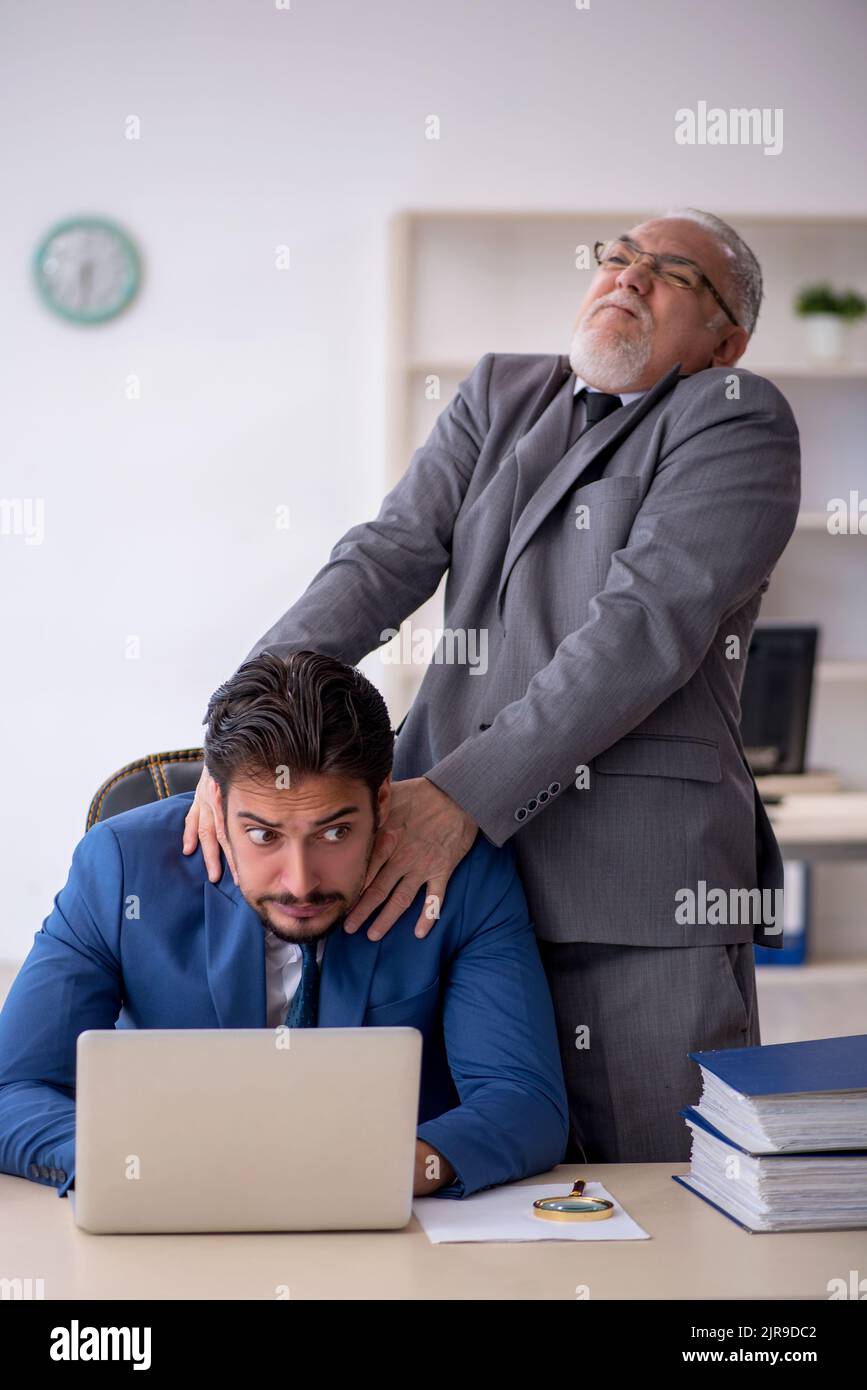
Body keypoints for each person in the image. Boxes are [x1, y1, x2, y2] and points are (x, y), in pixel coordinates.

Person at [183, 208, 801, 1163]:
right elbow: (384, 560)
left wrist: (463, 796)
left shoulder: (734, 415)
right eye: (620, 257)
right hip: (439, 883)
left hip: (628, 892)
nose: (630, 278)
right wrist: (241, 730)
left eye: (673, 274)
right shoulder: (500, 392)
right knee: (453, 1171)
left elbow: (643, 629)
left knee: (662, 1196)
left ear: (728, 339)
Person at [0, 652, 568, 1198]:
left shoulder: (459, 874)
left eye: (335, 833)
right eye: (265, 835)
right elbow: (12, 1089)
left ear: (383, 802)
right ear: (216, 807)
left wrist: (381, 1171)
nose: (299, 882)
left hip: (389, 1234)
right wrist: (139, 1165)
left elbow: (524, 1101)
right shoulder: (118, 868)